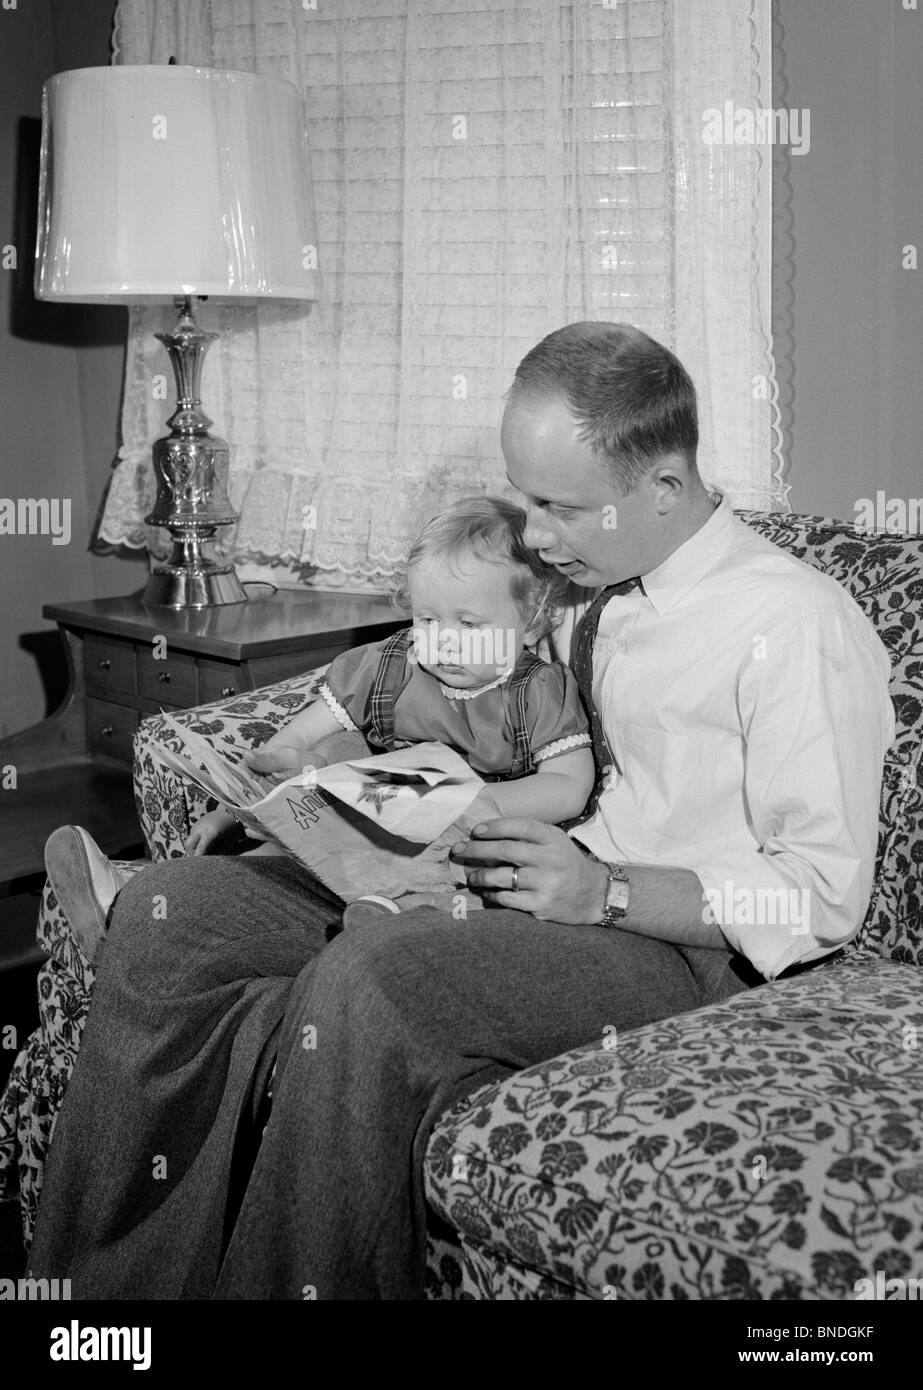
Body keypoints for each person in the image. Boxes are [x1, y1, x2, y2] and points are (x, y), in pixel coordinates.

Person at [27, 322, 894, 1301]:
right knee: (171, 916)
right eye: (525, 500)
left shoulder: (793, 626)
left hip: (681, 951)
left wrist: (604, 890)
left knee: (369, 980)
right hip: (517, 875)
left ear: (659, 487)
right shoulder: (585, 581)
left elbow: (821, 899)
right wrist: (350, 768)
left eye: (558, 508)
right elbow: (436, 667)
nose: (532, 536)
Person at [44, 497, 593, 942]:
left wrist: (481, 804)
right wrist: (243, 810)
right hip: (367, 820)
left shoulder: (537, 691)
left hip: (467, 842)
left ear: (531, 622)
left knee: (473, 880)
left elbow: (571, 785)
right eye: (428, 618)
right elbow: (297, 738)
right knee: (328, 762)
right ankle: (129, 895)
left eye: (469, 624)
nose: (444, 641)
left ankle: (395, 922)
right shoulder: (390, 667)